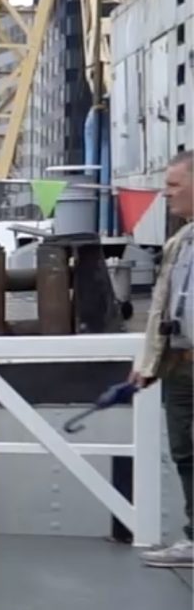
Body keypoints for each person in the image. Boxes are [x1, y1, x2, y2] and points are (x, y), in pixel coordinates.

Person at [132, 150, 194, 568]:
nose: (166, 194)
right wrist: (149, 361)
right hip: (180, 361)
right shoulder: (180, 242)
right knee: (185, 450)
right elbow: (162, 306)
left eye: (174, 185)